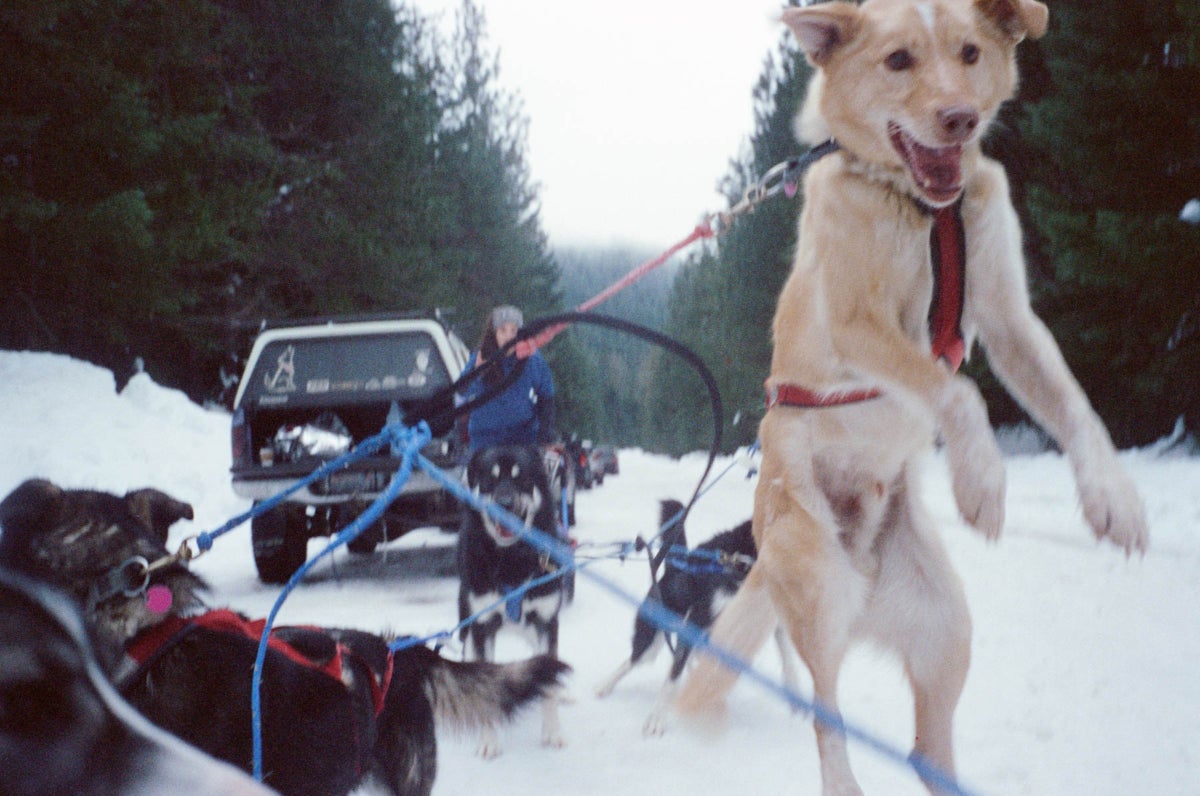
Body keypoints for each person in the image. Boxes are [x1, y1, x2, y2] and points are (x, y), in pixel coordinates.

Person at [459, 305, 556, 452]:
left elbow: (546, 396)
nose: (508, 336)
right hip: (484, 440)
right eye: (503, 330)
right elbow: (462, 392)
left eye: (513, 331)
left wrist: (545, 433)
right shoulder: (481, 356)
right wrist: (477, 372)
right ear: (494, 333)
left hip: (523, 439)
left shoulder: (532, 359)